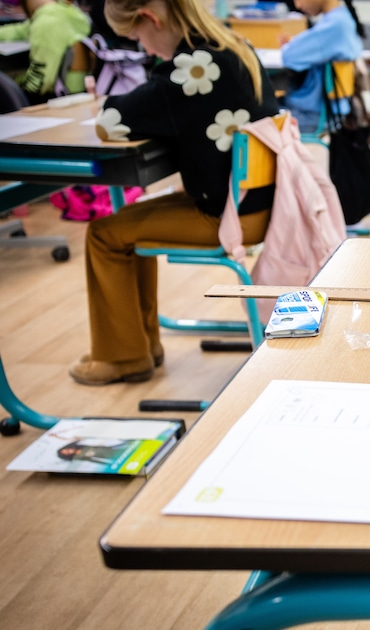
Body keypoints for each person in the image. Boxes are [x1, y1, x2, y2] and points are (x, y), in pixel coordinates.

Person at [69, 0, 280, 385]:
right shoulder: (232, 46)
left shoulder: (190, 68)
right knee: (127, 227)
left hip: (227, 216)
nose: (145, 50)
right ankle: (138, 346)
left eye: (137, 37)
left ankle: (125, 356)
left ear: (151, 18)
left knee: (104, 234)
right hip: (255, 203)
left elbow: (111, 120)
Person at [279, 0, 364, 133]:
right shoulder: (341, 18)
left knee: (257, 120)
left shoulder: (335, 24)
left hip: (314, 114)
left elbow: (289, 56)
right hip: (326, 108)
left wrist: (289, 46)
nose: (297, 6)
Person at [0, 0, 90, 103]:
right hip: (80, 91)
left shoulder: (46, 22)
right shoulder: (66, 12)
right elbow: (20, 30)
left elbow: (40, 83)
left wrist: (15, 84)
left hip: (61, 97)